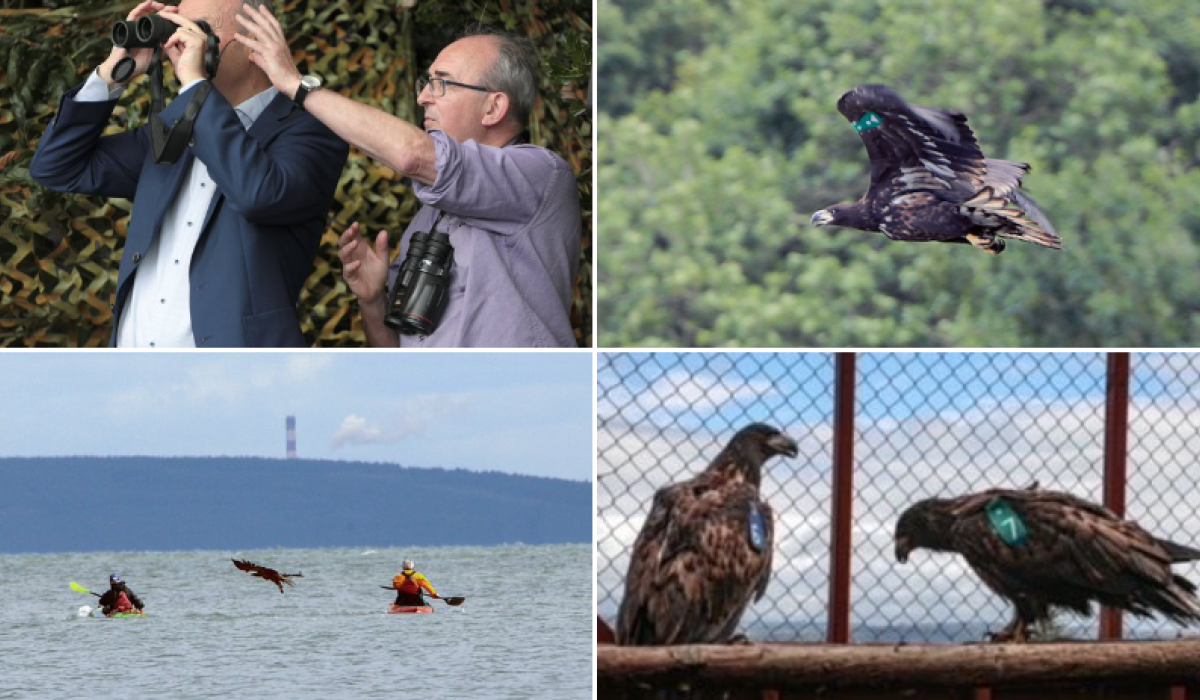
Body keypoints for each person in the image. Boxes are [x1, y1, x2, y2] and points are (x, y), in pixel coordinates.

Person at [234, 7, 582, 347]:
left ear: (493, 107)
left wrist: (297, 85)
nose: (422, 97)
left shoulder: (541, 174)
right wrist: (372, 300)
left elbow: (412, 154)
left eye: (441, 84)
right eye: (426, 82)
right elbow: (397, 351)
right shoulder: (428, 217)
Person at [29, 0, 348, 347]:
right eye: (178, 27)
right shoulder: (173, 128)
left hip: (227, 376)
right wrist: (112, 73)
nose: (179, 39)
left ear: (255, 38)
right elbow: (57, 166)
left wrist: (197, 86)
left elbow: (258, 195)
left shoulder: (313, 130)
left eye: (200, 28)